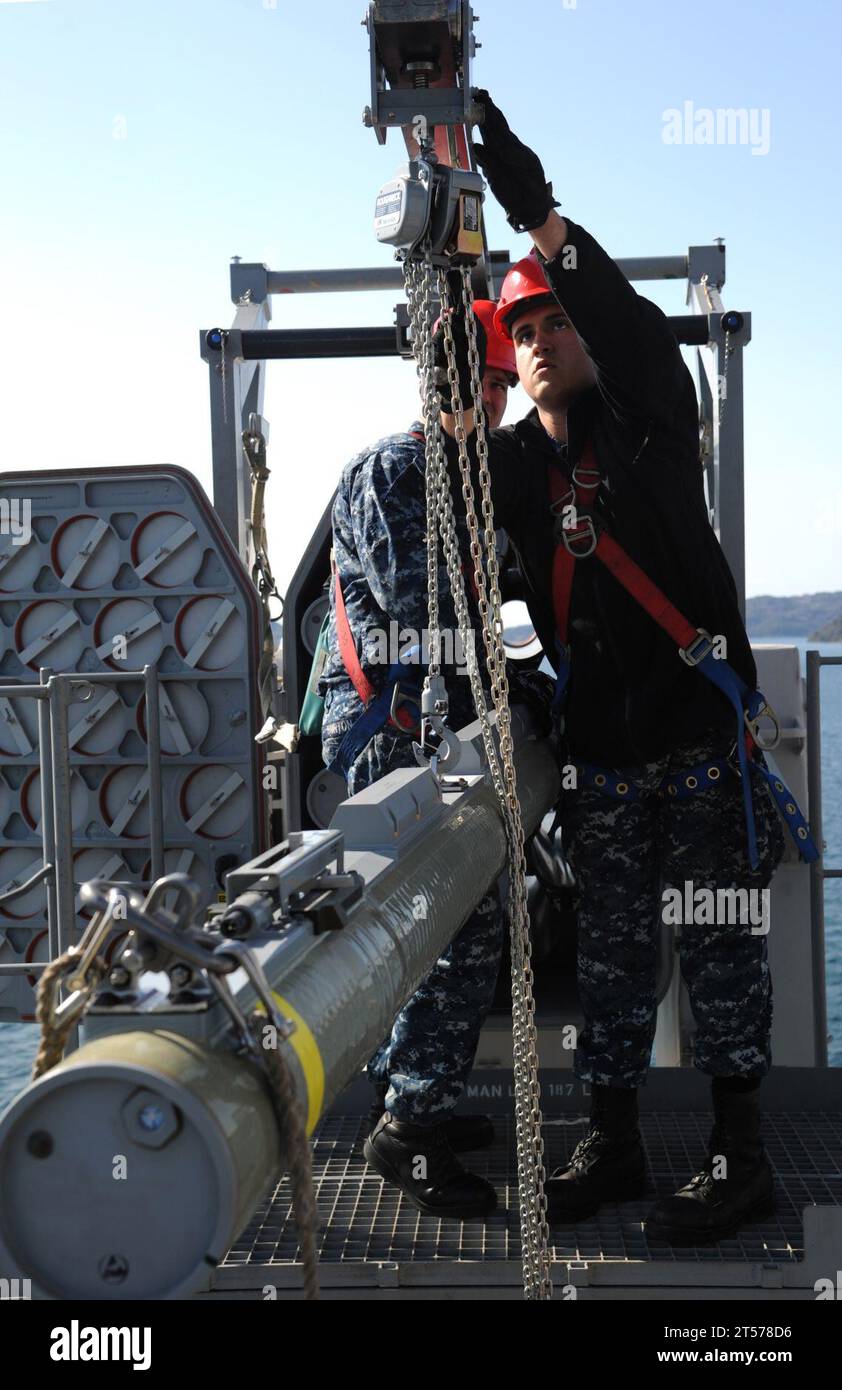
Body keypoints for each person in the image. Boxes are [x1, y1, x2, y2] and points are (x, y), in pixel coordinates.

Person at [431, 90, 808, 1244]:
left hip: (696, 752)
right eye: (525, 331)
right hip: (602, 761)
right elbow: (446, 438)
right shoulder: (505, 470)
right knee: (607, 964)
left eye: (554, 322)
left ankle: (740, 1157)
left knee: (719, 954)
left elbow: (623, 318)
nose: (541, 341)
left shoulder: (650, 418)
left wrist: (512, 186)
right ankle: (610, 1144)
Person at [319, 301, 522, 1220]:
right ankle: (405, 1127)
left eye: (503, 387)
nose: (499, 403)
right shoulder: (399, 473)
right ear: (444, 383)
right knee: (437, 931)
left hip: (434, 736)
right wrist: (502, 680)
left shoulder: (459, 478)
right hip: (395, 741)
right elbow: (421, 620)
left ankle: (420, 1101)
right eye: (486, 385)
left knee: (458, 928)